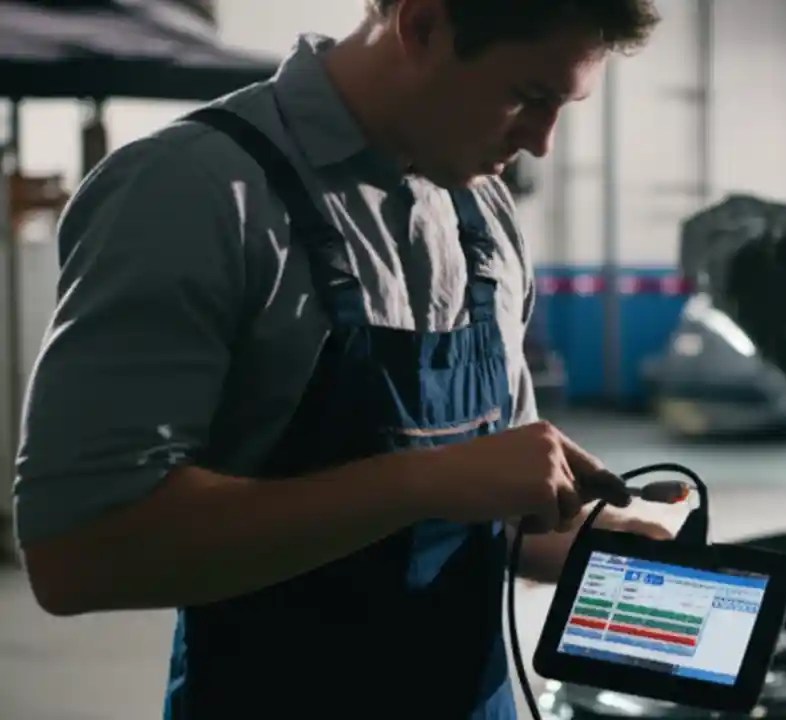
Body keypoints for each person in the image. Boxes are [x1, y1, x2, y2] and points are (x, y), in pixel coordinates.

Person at [11, 0, 663, 717]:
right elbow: (79, 553)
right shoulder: (192, 190)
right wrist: (427, 481)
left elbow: (482, 510)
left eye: (563, 105)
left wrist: (580, 540)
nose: (542, 143)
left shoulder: (485, 213)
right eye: (529, 97)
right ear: (421, 24)